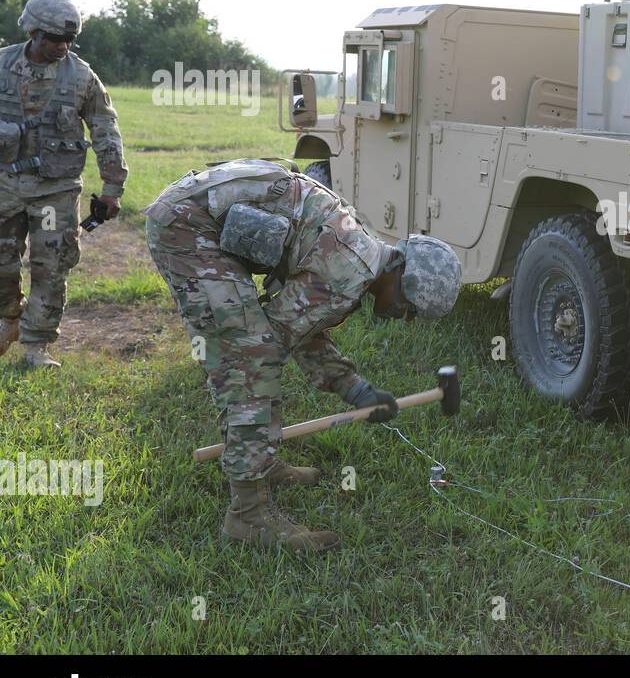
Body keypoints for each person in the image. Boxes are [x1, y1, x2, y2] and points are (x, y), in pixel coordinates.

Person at [145, 159, 462, 552]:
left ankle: (261, 463)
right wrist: (345, 386)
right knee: (250, 360)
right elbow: (274, 342)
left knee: (253, 348)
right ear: (400, 279)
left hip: (190, 213)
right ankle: (247, 514)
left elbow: (300, 324)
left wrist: (355, 389)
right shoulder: (349, 273)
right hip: (187, 228)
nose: (401, 317)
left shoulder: (361, 250)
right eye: (406, 307)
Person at [0, 0, 127, 369]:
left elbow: (105, 128)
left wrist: (112, 187)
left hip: (55, 190)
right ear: (34, 32)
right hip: (4, 185)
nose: (63, 46)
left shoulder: (82, 76)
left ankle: (36, 347)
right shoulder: (2, 65)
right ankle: (8, 318)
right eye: (55, 39)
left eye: (69, 40)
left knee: (51, 265)